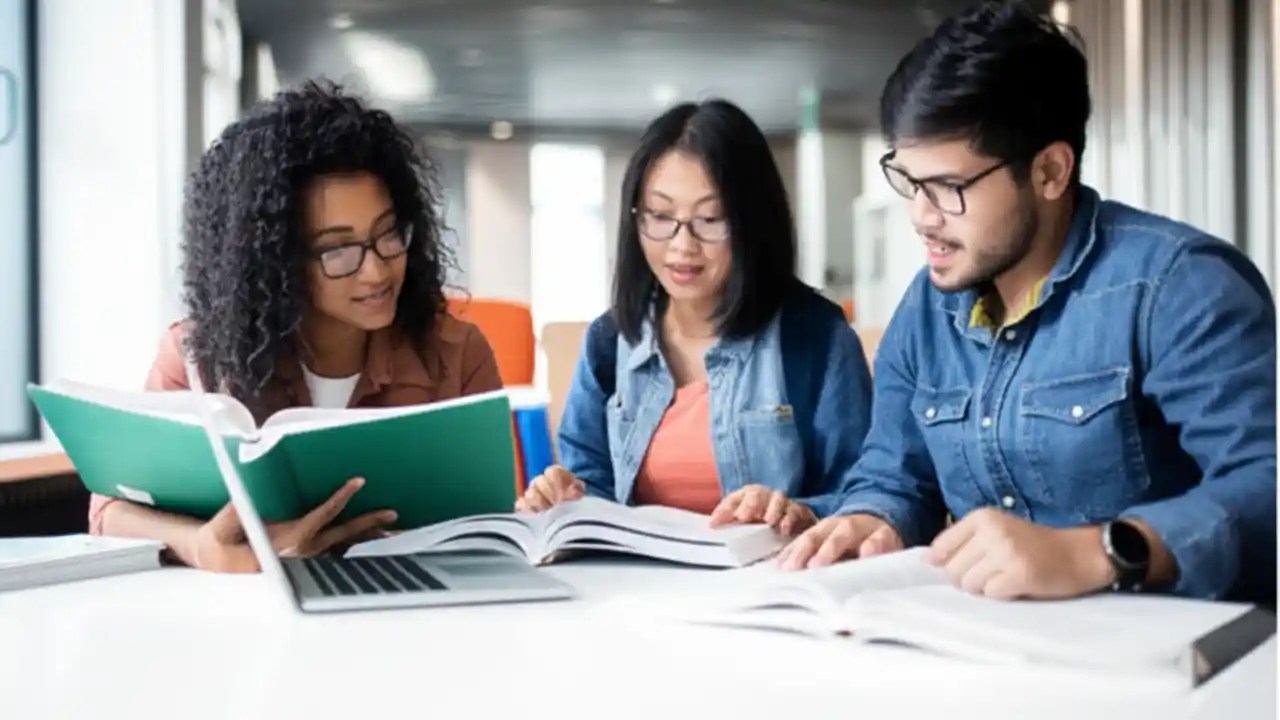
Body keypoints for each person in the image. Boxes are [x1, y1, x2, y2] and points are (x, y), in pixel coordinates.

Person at [780, 0, 1276, 605]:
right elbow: (895, 474)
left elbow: (1266, 481)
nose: (920, 217)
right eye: (909, 181)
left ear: (1049, 171)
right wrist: (872, 518)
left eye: (948, 187)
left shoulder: (1179, 286)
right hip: (994, 656)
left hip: (1170, 667)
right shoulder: (925, 309)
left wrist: (1097, 551)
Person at [89, 81, 503, 572]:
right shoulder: (199, 356)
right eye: (338, 250)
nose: (377, 270)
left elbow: (495, 523)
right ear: (274, 263)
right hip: (244, 620)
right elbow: (109, 512)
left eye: (389, 234)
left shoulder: (457, 354)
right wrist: (199, 544)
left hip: (410, 613)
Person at [517, 99, 874, 538]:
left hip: (775, 589)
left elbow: (867, 493)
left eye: (710, 219)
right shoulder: (610, 342)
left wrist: (800, 512)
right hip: (638, 587)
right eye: (661, 217)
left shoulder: (816, 339)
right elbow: (590, 487)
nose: (682, 246)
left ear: (752, 223)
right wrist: (562, 497)